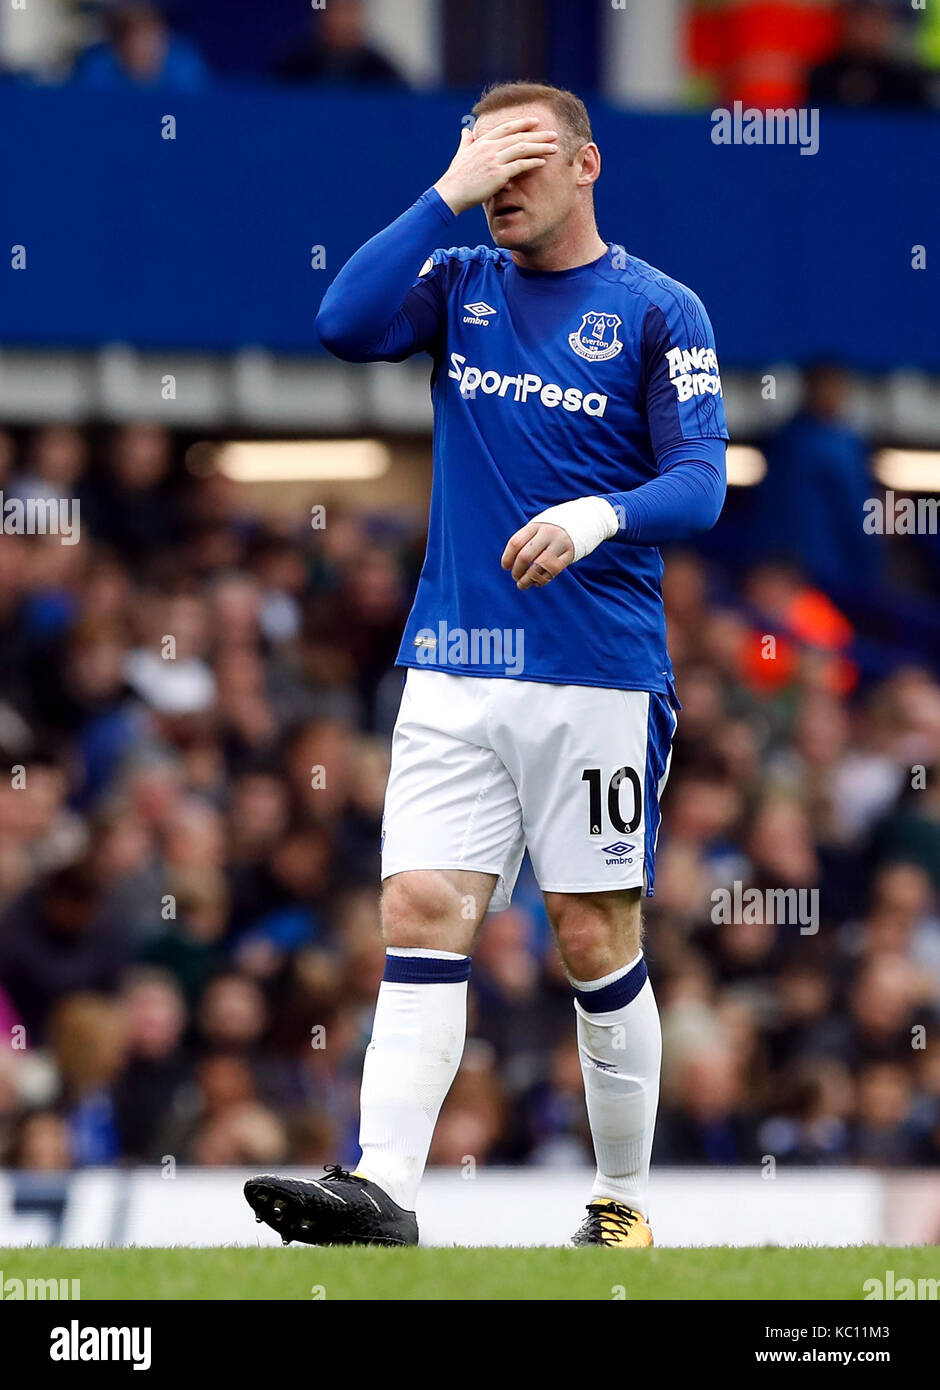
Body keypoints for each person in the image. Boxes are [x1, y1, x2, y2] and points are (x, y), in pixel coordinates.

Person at [245, 82, 728, 1249]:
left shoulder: (662, 310)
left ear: (586, 166)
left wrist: (596, 518)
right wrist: (440, 196)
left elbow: (701, 483)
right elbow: (340, 322)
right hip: (454, 663)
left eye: (523, 161)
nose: (501, 186)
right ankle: (380, 1186)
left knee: (589, 935)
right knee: (418, 906)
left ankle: (622, 1205)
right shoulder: (457, 284)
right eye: (482, 163)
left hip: (597, 674)